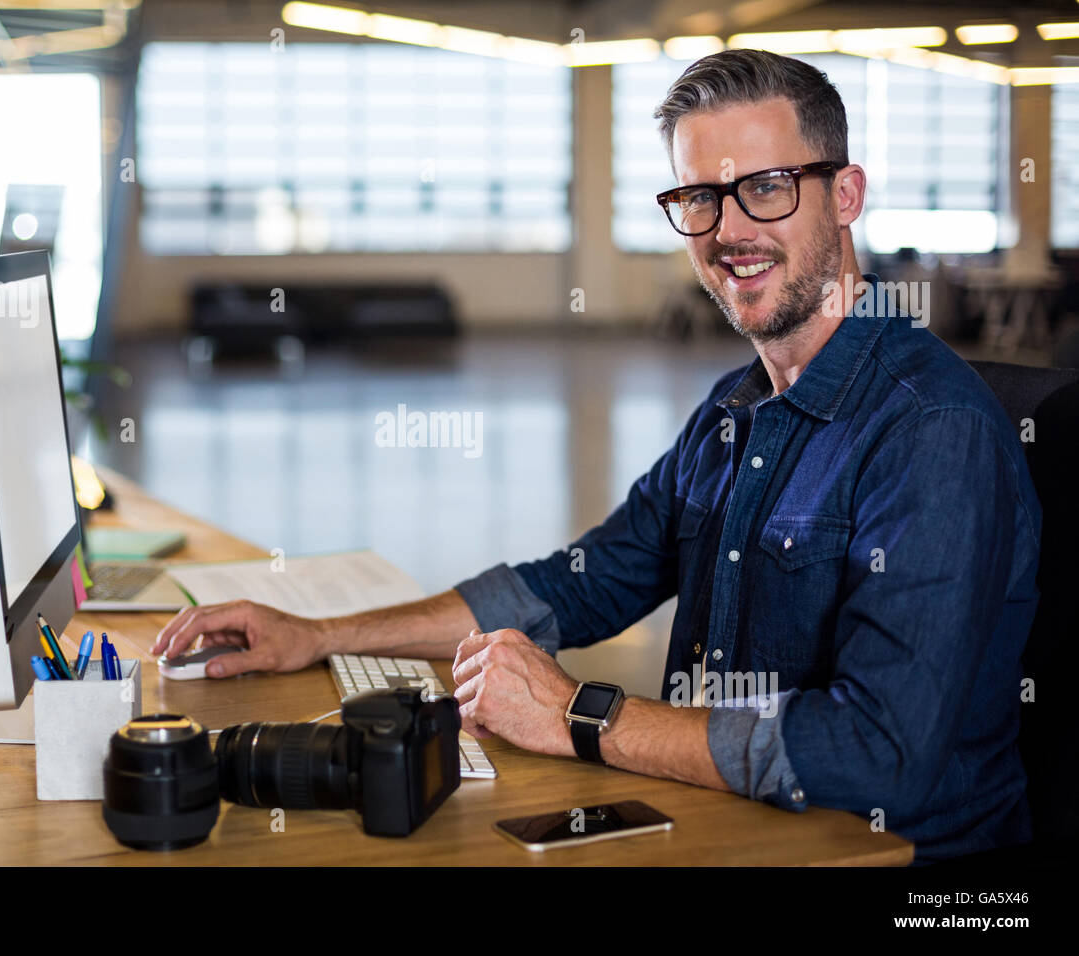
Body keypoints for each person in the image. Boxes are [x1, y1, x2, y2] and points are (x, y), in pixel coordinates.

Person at [150, 50, 1040, 862]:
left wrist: (580, 713)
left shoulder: (932, 433)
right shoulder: (733, 413)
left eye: (767, 186)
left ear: (845, 194)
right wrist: (319, 636)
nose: (729, 231)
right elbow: (578, 582)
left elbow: (880, 758)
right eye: (699, 197)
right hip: (735, 825)